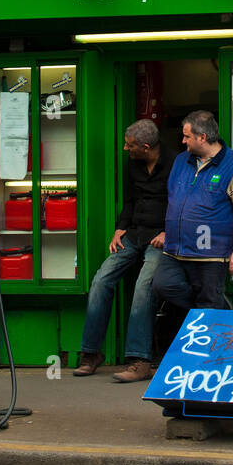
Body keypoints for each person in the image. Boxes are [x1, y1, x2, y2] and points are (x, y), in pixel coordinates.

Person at [74, 119, 171, 382]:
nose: (126, 149)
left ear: (146, 146)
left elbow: (182, 203)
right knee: (101, 280)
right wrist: (120, 228)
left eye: (130, 146)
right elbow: (130, 200)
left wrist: (169, 233)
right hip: (134, 233)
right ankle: (91, 353)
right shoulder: (133, 164)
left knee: (144, 287)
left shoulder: (177, 164)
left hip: (160, 238)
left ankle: (140, 360)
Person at [151, 110, 233, 316]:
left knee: (208, 305)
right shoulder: (181, 161)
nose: (182, 141)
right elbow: (173, 200)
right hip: (175, 250)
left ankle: (214, 318)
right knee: (163, 286)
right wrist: (167, 231)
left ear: (202, 137)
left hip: (210, 254)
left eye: (187, 136)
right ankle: (217, 308)